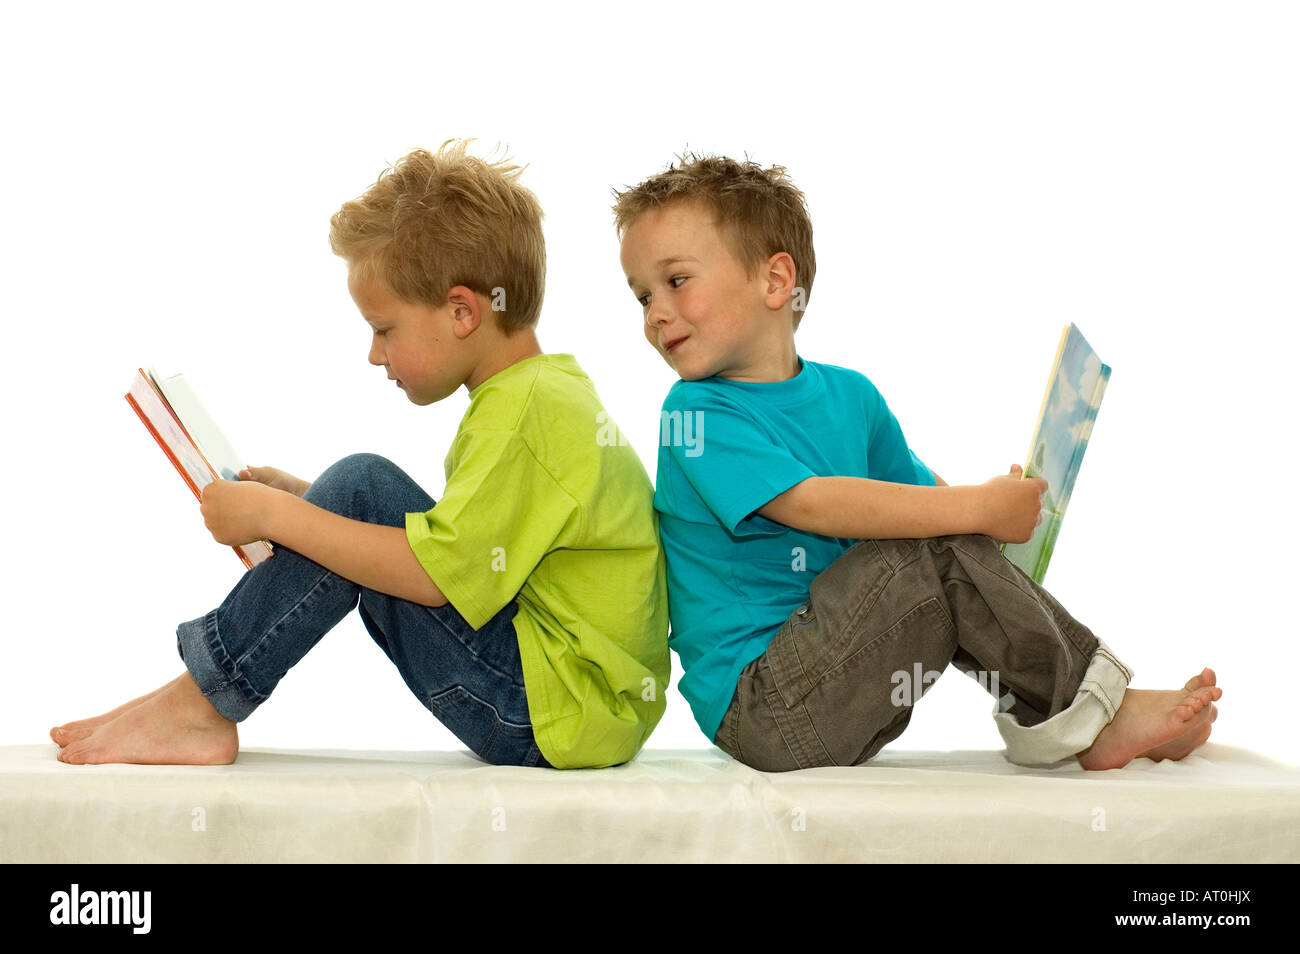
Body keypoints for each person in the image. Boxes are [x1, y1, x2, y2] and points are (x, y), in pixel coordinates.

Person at [51, 141, 669, 770]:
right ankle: (195, 697)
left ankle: (202, 705)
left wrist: (276, 517)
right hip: (569, 699)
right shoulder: (539, 395)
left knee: (361, 488)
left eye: (384, 329)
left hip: (548, 708)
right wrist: (304, 500)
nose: (375, 355)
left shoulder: (526, 417)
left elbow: (431, 578)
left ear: (461, 312)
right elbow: (461, 546)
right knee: (355, 495)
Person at [613, 153, 1219, 771]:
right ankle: (1096, 717)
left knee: (940, 535)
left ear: (774, 282)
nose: (654, 313)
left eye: (676, 281)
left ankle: (1084, 717)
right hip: (766, 709)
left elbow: (929, 505)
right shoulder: (695, 415)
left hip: (852, 684)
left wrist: (992, 509)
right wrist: (973, 507)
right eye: (641, 295)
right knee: (928, 536)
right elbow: (811, 503)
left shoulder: (852, 397)